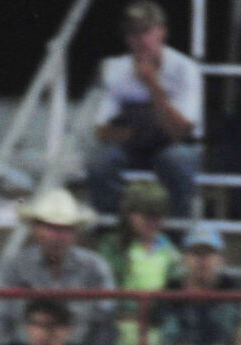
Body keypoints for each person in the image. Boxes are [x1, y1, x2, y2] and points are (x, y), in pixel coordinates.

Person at [86, 1, 203, 219]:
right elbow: (101, 130)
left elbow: (181, 132)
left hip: (175, 145)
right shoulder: (115, 68)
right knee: (99, 162)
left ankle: (175, 237)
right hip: (132, 145)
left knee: (177, 161)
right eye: (133, 33)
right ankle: (114, 231)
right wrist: (141, 132)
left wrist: (152, 84)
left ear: (162, 32)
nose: (141, 39)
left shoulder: (186, 69)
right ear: (127, 38)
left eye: (146, 31)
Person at [0, 187, 116, 345]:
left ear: (75, 234)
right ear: (35, 230)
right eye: (49, 228)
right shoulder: (13, 267)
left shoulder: (95, 268)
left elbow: (105, 321)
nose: (56, 237)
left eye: (64, 229)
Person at [95, 178, 180, 345]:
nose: (152, 223)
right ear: (130, 215)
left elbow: (175, 292)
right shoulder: (111, 248)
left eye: (158, 217)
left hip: (155, 334)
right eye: (145, 216)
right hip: (119, 331)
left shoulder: (170, 251)